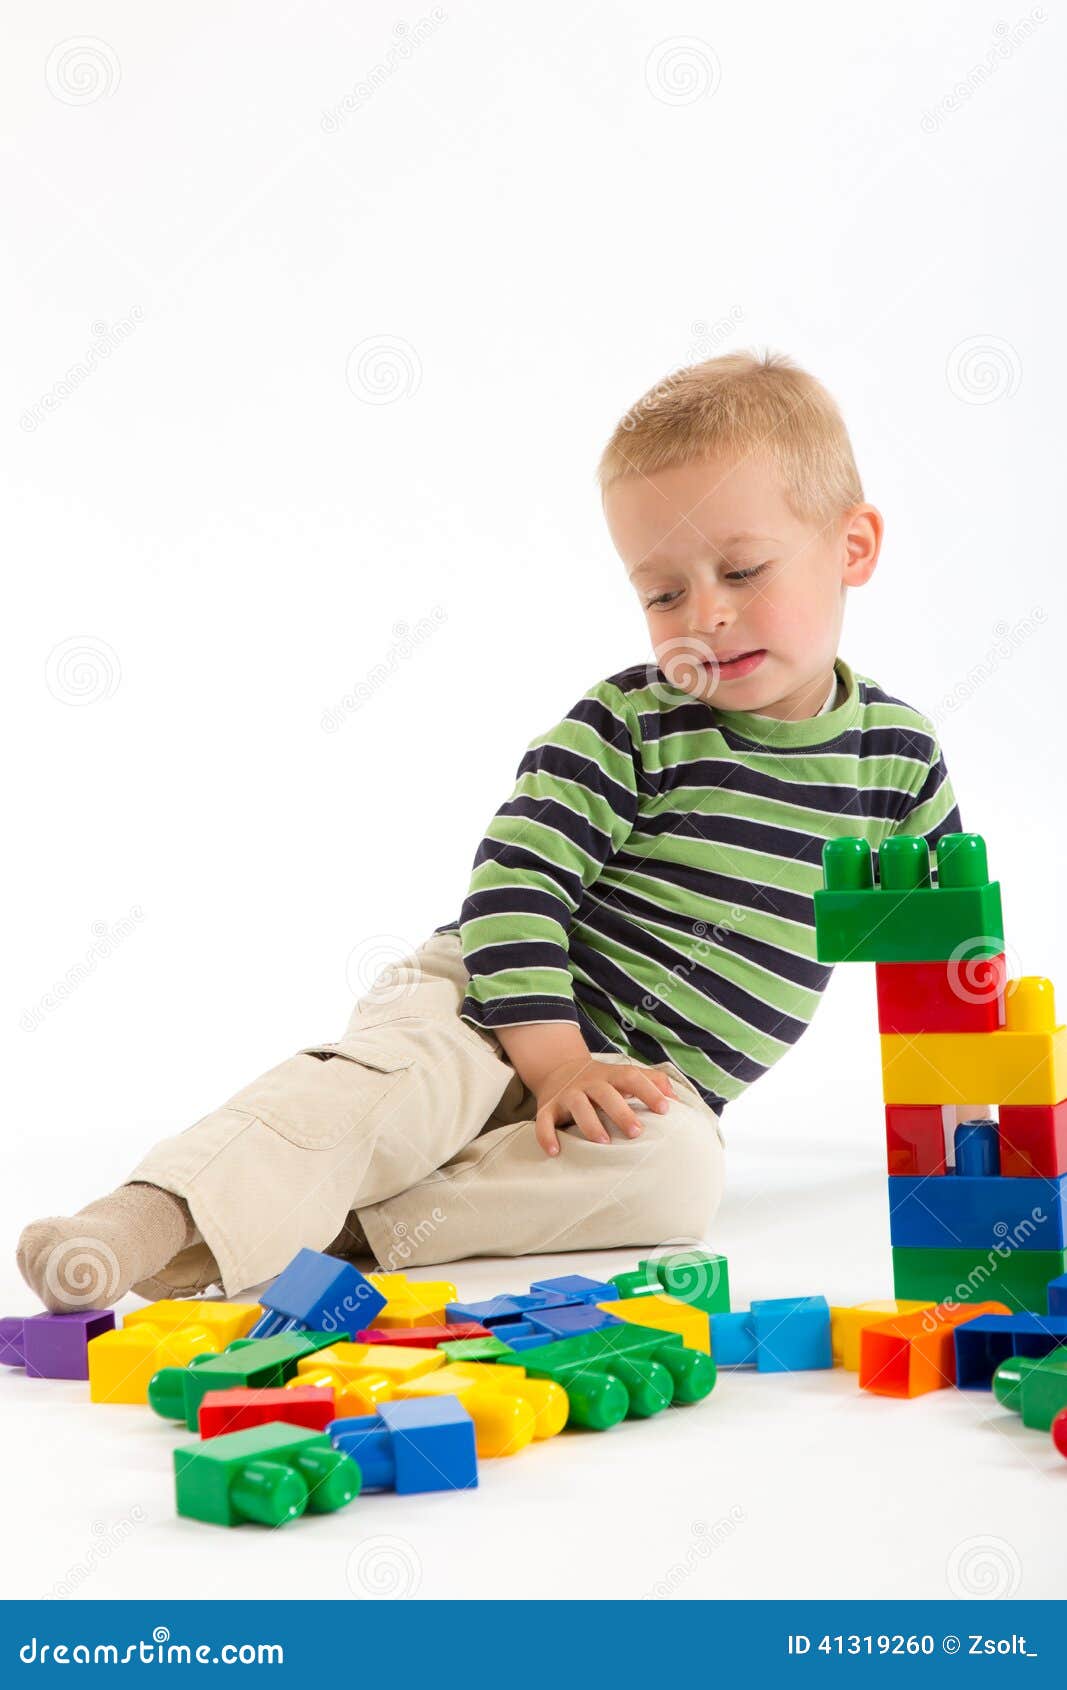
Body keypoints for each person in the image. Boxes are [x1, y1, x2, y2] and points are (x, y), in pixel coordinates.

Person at [17, 350, 960, 1312]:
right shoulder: (631, 726)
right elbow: (515, 887)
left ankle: (351, 1232)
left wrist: (972, 1122)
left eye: (743, 570)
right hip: (488, 1006)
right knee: (392, 1096)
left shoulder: (896, 758)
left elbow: (940, 945)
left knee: (681, 1174)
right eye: (663, 593)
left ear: (852, 546)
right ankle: (148, 1221)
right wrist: (551, 1058)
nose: (705, 616)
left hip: (633, 1090)